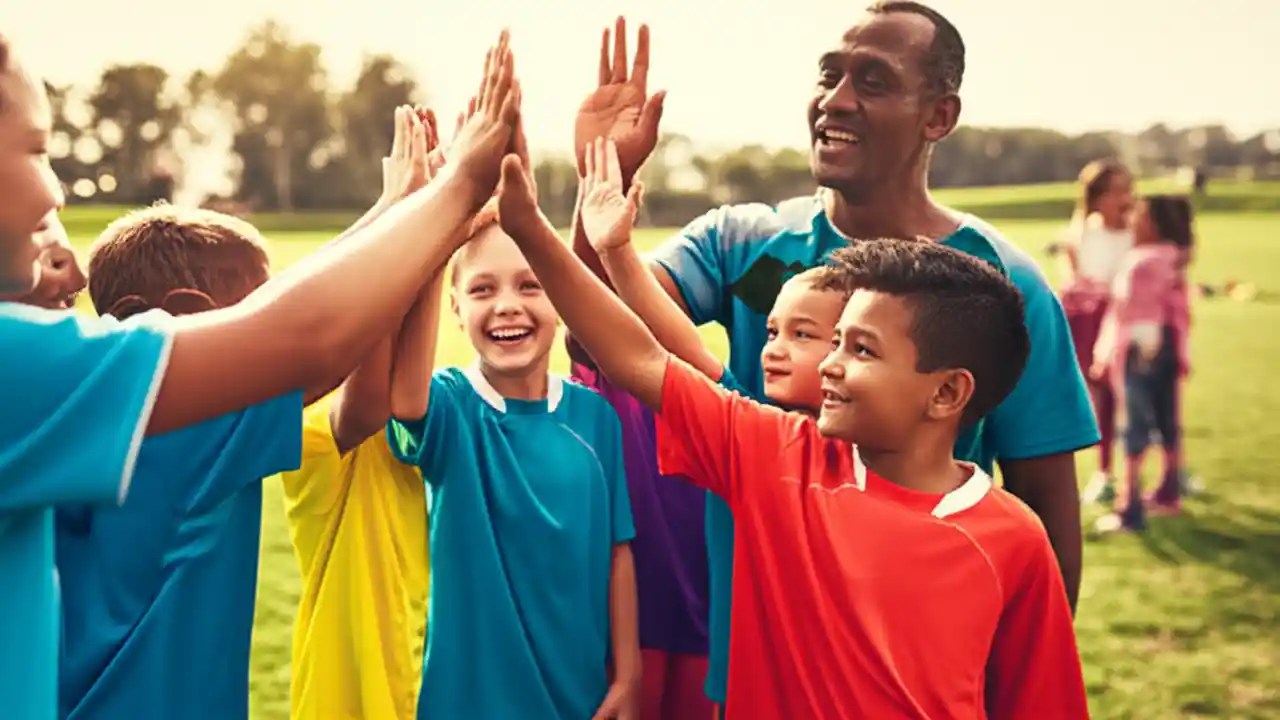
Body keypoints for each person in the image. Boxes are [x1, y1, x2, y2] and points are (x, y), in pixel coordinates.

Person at [568, 7, 1098, 709]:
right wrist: (598, 181)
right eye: (828, 75)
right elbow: (596, 335)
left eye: (873, 82)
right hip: (752, 662)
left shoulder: (1000, 286)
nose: (836, 99)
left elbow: (1047, 515)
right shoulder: (742, 244)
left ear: (939, 115)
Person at [0, 30, 518, 720]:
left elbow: (290, 314)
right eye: (36, 149)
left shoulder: (69, 419)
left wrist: (400, 210)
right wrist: (453, 193)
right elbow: (301, 335)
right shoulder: (176, 434)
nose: (55, 189)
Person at [495, 149, 1088, 719]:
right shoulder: (775, 457)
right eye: (834, 343)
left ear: (947, 393)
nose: (830, 365)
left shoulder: (1013, 542)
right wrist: (530, 229)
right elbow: (641, 360)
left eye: (860, 350)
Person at [385, 120, 640, 718]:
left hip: (578, 699)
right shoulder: (450, 406)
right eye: (481, 290)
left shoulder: (595, 417)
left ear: (558, 293)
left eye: (531, 285)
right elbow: (403, 404)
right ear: (454, 306)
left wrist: (629, 674)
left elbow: (617, 553)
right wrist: (438, 228)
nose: (507, 305)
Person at [277, 105, 446, 720]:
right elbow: (370, 385)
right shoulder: (316, 432)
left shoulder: (429, 416)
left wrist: (430, 238)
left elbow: (404, 381)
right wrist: (403, 220)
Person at [1091, 195, 1194, 532]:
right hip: (1167, 346)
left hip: (1141, 350)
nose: (1133, 219)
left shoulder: (1143, 261)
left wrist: (1117, 354)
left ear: (1154, 223)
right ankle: (1169, 492)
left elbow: (1136, 315)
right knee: (1167, 419)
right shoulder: (1172, 257)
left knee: (1134, 425)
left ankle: (1129, 507)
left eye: (1141, 215)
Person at [1060, 160, 1135, 505]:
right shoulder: (1081, 235)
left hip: (1132, 325)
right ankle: (1105, 473)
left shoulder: (1139, 232)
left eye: (1127, 188)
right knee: (1103, 401)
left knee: (1141, 402)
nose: (1126, 197)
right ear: (1098, 198)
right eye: (1116, 190)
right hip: (1094, 326)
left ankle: (1165, 474)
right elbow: (1073, 285)